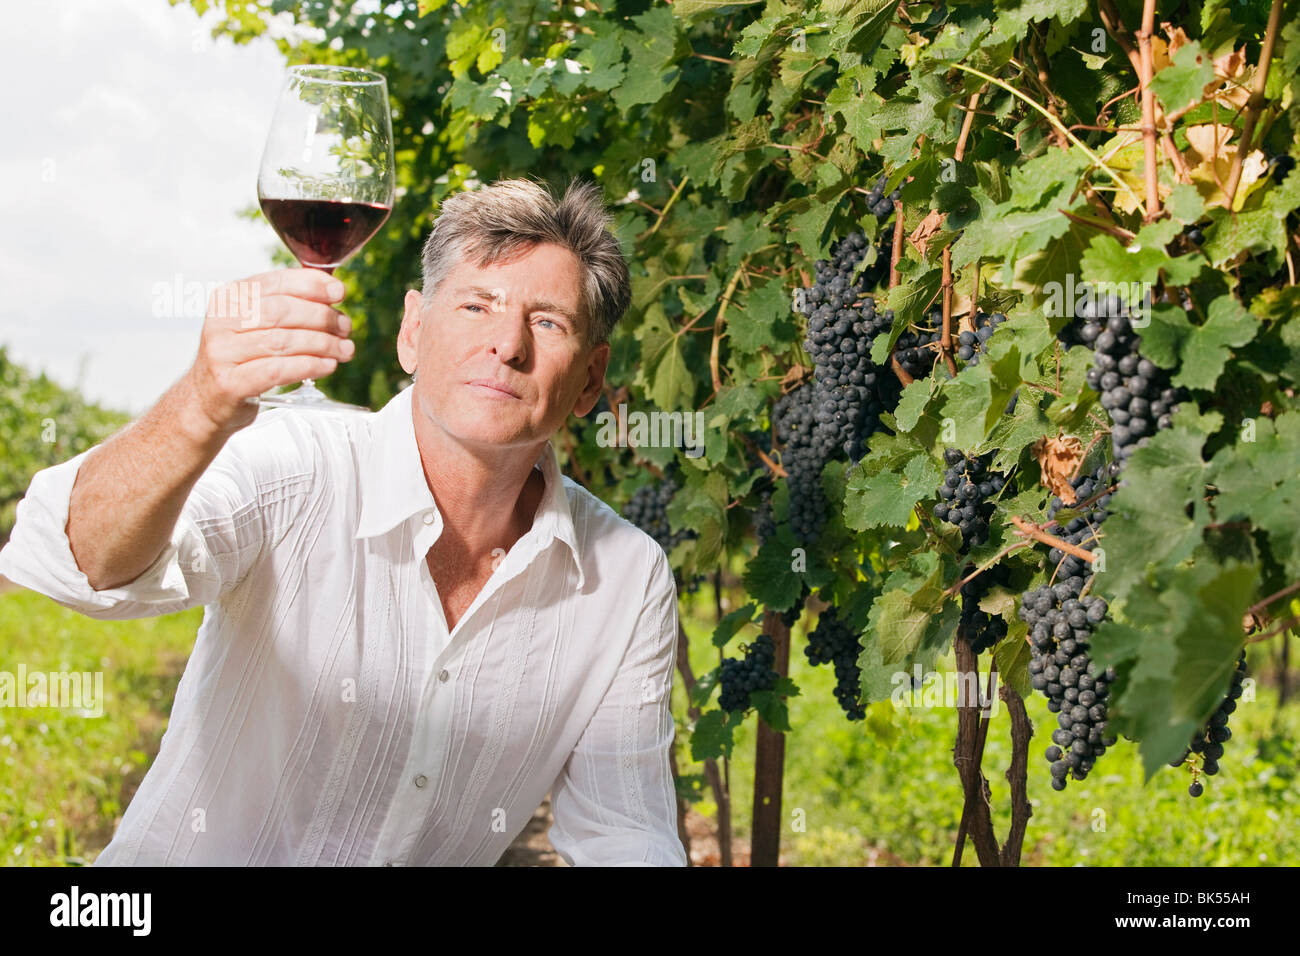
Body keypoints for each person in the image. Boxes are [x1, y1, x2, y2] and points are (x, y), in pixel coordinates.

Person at [0, 177, 687, 866]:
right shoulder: (294, 466)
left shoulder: (626, 580)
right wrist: (202, 406)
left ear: (591, 380)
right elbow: (79, 563)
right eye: (477, 304)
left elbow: (624, 832)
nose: (507, 344)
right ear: (413, 332)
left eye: (548, 322)